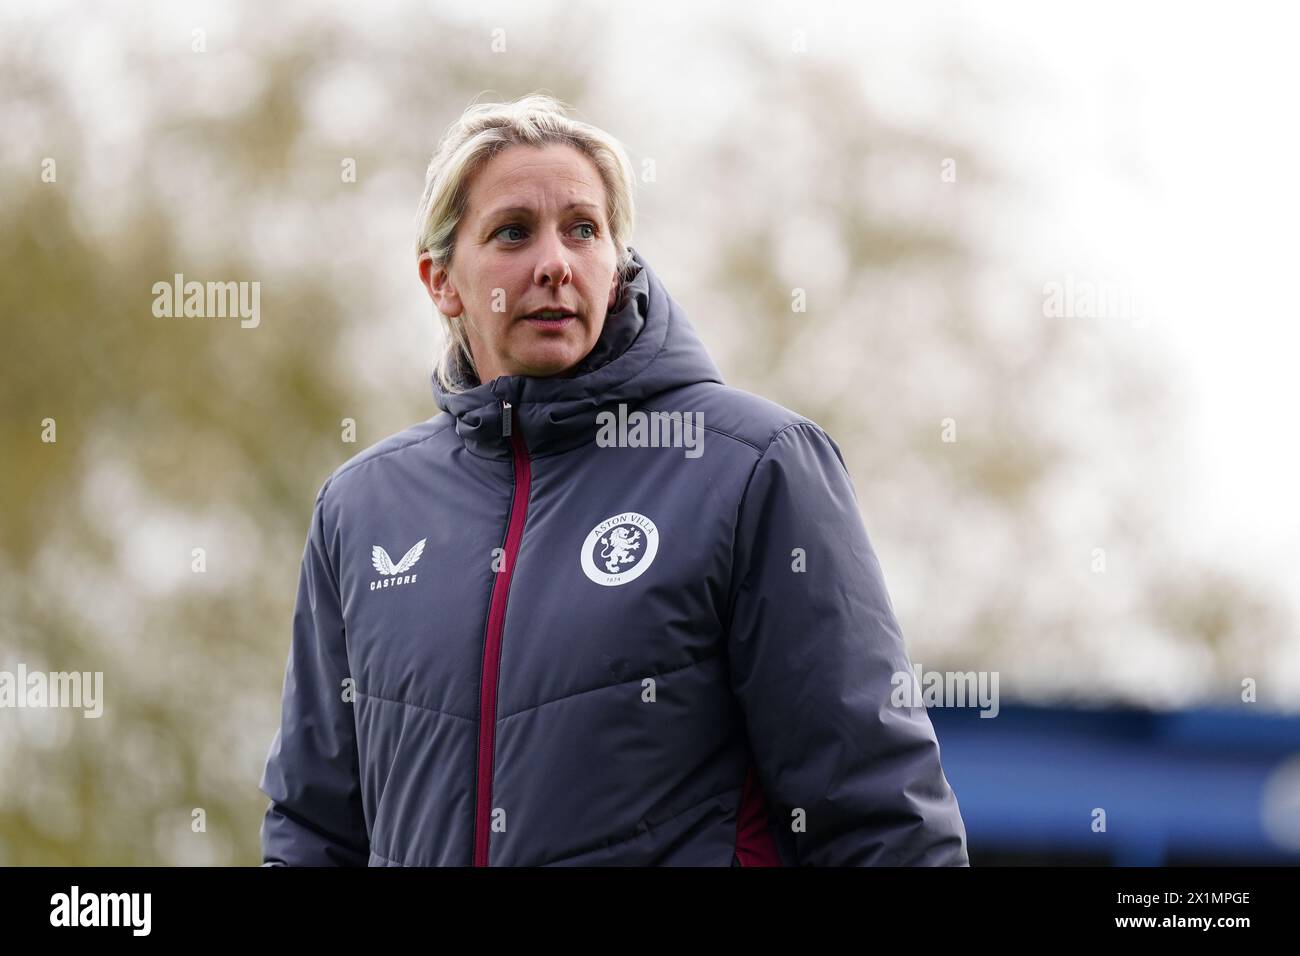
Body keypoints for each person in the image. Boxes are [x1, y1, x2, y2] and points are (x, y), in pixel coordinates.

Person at [258, 92, 969, 866]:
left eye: (583, 229)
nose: (555, 262)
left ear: (616, 262)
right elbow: (313, 827)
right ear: (441, 281)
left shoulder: (753, 468)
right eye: (512, 232)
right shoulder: (361, 510)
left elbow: (879, 815)